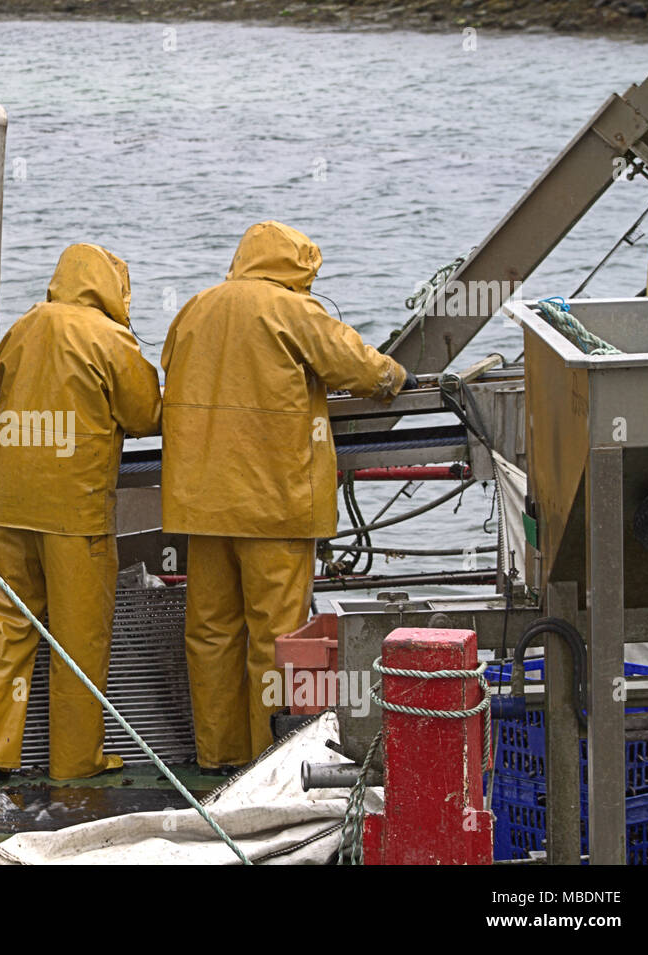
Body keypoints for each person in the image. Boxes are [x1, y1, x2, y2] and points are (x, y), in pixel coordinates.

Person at [161, 220, 414, 774]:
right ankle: (266, 760)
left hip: (202, 503)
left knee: (210, 632)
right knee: (275, 638)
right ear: (296, 270)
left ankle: (217, 756)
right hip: (273, 503)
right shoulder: (292, 309)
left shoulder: (195, 309)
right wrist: (396, 374)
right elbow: (357, 365)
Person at [0, 243, 162, 782]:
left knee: (4, 626)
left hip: (9, 508)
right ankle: (76, 761)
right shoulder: (110, 338)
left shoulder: (26, 325)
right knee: (78, 641)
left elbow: (2, 380)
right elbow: (146, 414)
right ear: (112, 288)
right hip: (75, 516)